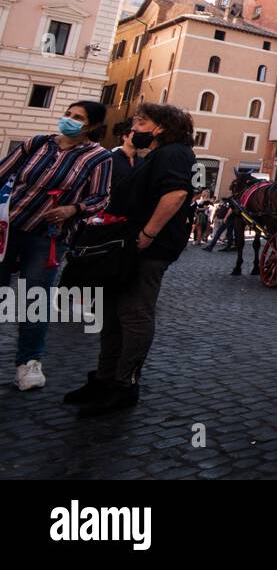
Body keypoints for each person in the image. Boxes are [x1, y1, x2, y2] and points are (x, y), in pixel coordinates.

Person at [67, 102, 198, 416]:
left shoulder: (174, 153)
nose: (133, 130)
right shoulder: (155, 155)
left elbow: (176, 194)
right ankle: (105, 377)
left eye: (140, 123)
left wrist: (148, 234)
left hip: (147, 247)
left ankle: (125, 385)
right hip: (129, 245)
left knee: (134, 313)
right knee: (113, 313)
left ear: (160, 127)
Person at [0, 101, 112, 391]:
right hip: (7, 228)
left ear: (93, 126)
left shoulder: (97, 158)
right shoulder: (37, 143)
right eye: (68, 114)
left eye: (78, 118)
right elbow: (3, 172)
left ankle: (29, 363)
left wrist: (72, 209)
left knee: (34, 299)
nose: (69, 120)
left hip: (47, 237)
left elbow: (101, 198)